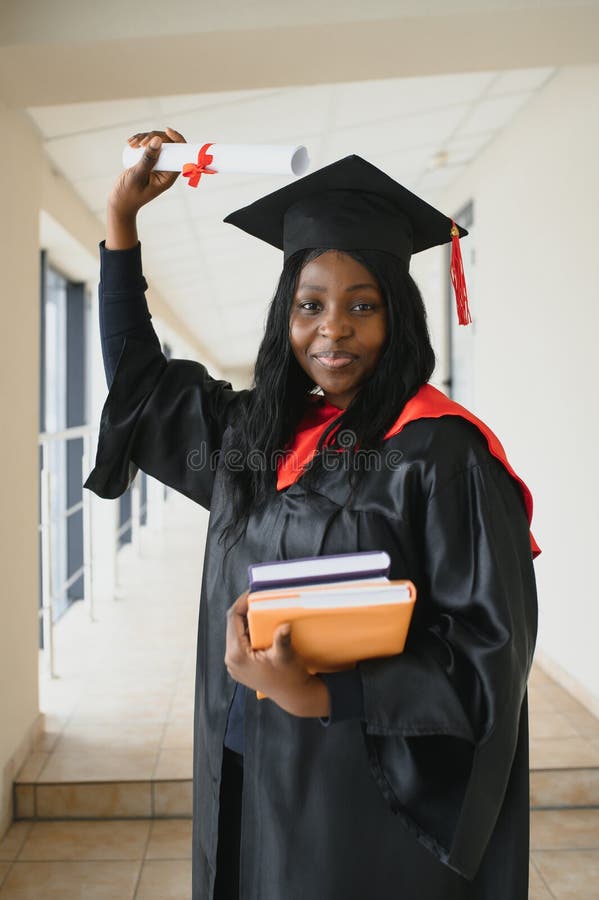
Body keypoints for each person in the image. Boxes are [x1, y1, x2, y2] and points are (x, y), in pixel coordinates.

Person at [84, 127, 539, 900]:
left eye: (361, 306)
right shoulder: (256, 433)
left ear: (397, 314)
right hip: (240, 756)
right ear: (284, 316)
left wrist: (319, 694)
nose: (332, 328)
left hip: (352, 787)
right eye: (310, 305)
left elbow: (488, 654)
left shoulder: (439, 454)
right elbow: (142, 383)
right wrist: (121, 229)